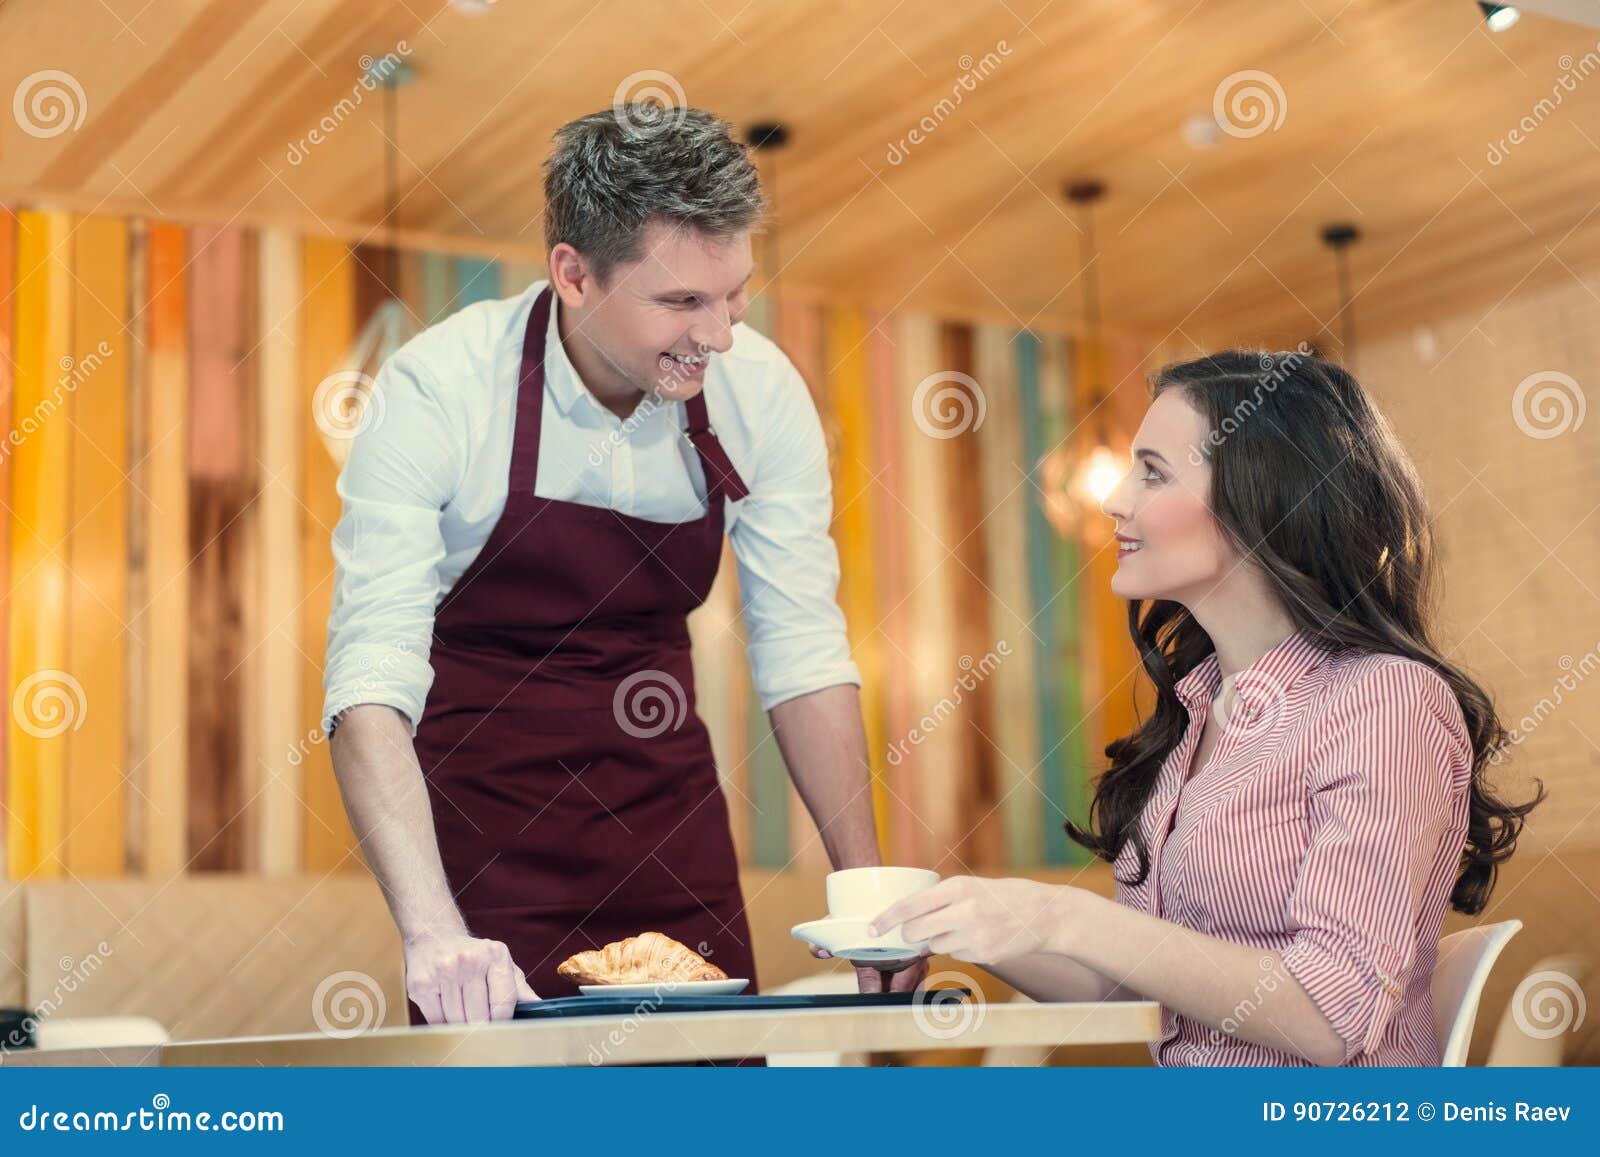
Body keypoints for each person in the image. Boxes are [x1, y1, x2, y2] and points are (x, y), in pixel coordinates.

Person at [323, 103, 924, 1028]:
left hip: (668, 821)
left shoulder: (760, 393)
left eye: (735, 294)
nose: (719, 334)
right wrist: (433, 932)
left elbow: (803, 648)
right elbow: (369, 680)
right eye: (681, 302)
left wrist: (865, 893)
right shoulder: (438, 390)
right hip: (486, 841)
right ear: (573, 273)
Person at [870, 350, 1541, 1065]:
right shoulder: (1196, 715)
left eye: (1153, 471)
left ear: (1260, 498)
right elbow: (1144, 995)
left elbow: (1331, 1013)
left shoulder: (1385, 701)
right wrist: (962, 923)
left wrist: (1063, 914)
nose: (1115, 500)